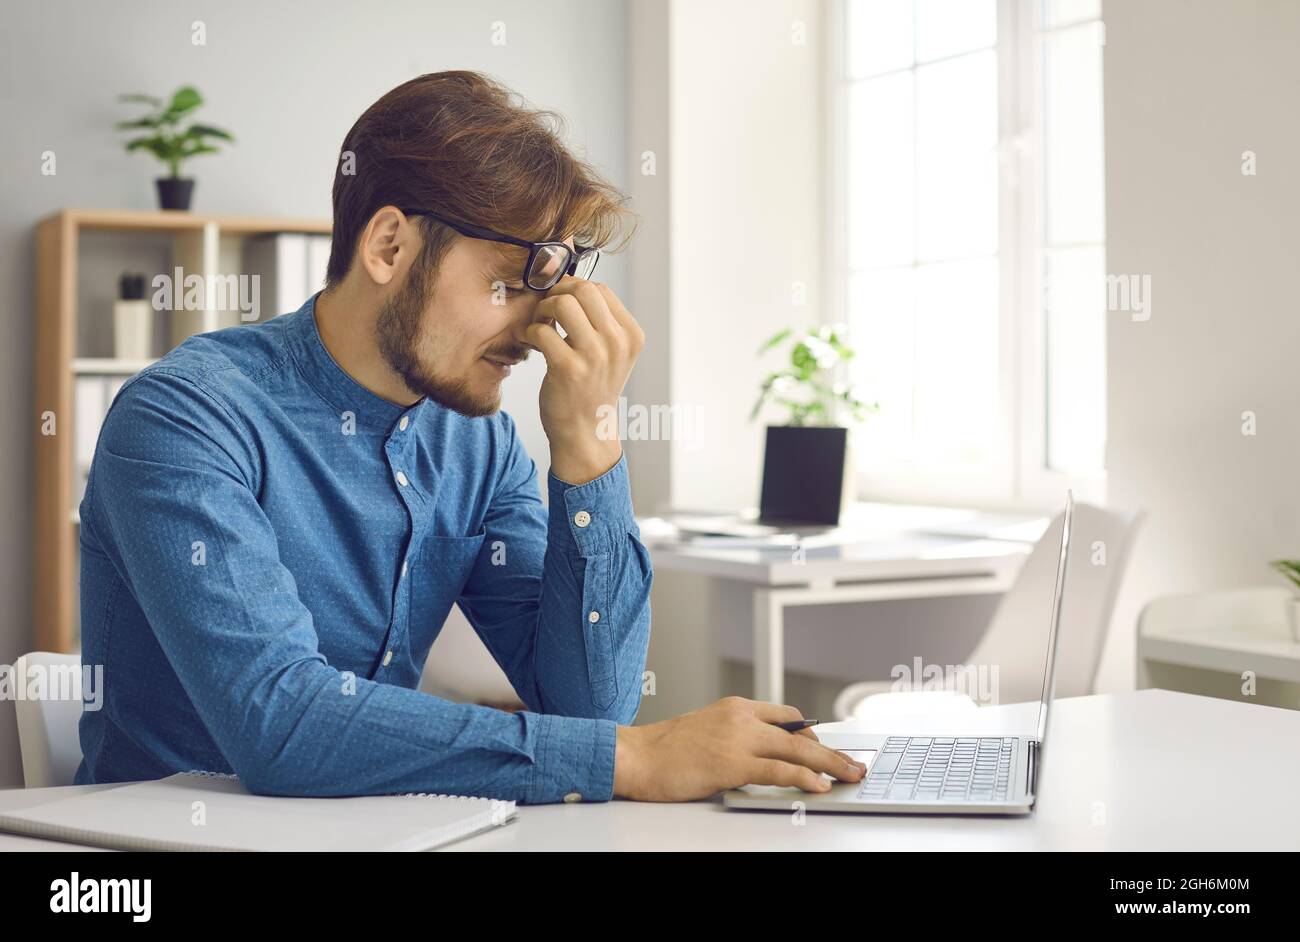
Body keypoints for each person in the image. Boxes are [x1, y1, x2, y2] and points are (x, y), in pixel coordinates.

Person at [75, 70, 865, 803]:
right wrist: (636, 758)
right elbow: (281, 725)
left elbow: (588, 704)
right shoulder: (185, 417)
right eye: (512, 281)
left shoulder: (476, 444)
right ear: (389, 246)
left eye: (549, 286)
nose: (537, 322)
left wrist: (589, 447)